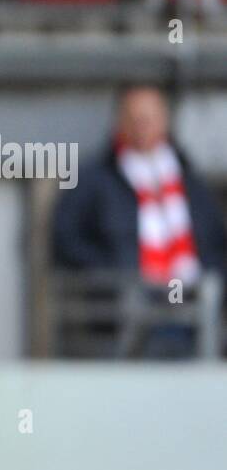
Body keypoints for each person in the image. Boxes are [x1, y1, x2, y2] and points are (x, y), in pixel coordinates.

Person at [52, 83, 227, 359]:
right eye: (134, 118)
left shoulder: (190, 181)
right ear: (119, 122)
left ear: (165, 121)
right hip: (122, 319)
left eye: (149, 118)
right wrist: (115, 275)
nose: (141, 126)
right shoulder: (94, 179)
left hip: (190, 316)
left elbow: (216, 244)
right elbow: (66, 240)